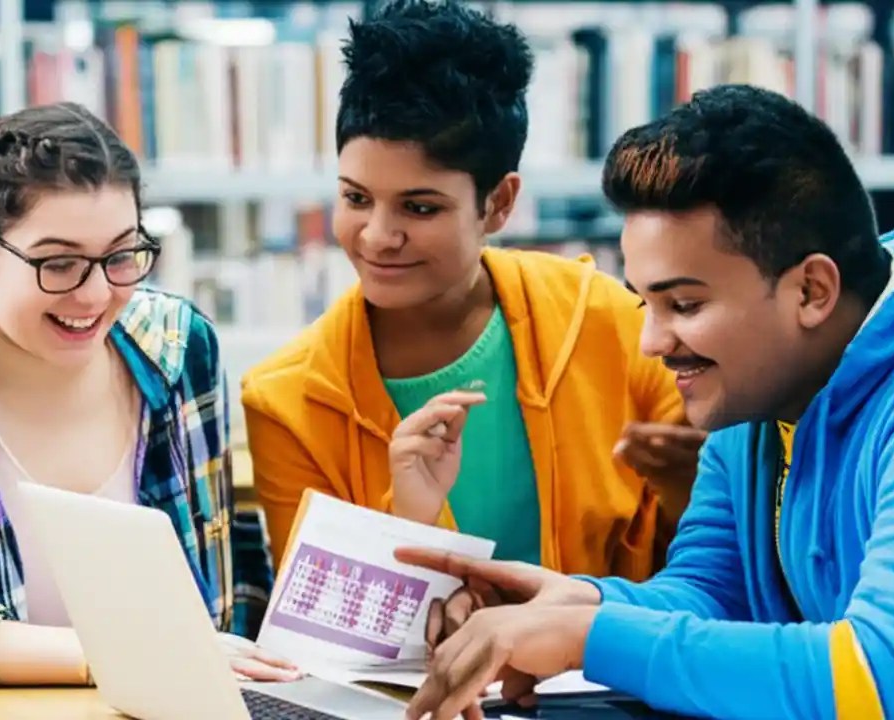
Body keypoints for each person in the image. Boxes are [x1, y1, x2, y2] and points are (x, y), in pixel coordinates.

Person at [396, 84, 894, 720]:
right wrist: (574, 602)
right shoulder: (760, 391)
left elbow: (880, 684)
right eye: (645, 302)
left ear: (811, 291)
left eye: (684, 304)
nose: (653, 341)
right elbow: (715, 596)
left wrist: (587, 635)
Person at [0, 101, 298, 690]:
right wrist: (112, 655)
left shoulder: (179, 348)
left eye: (121, 256)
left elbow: (228, 578)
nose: (95, 294)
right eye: (59, 263)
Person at [241, 0, 702, 583]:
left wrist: (693, 496)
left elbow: (709, 560)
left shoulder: (607, 322)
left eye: (420, 207)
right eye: (356, 198)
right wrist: (410, 520)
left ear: (500, 203)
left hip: (604, 668)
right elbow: (320, 636)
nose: (378, 237)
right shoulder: (286, 400)